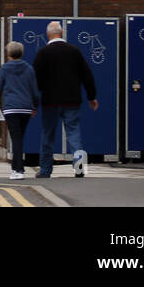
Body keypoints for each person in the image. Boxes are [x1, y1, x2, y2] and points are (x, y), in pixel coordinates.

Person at [32, 21, 98, 178]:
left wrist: (34, 102)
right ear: (61, 33)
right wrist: (91, 96)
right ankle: (80, 169)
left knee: (47, 136)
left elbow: (35, 79)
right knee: (74, 135)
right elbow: (87, 75)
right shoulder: (74, 51)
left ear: (49, 34)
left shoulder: (43, 53)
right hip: (72, 100)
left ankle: (45, 171)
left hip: (50, 101)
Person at [0, 41, 39, 180]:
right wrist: (35, 106)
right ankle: (18, 168)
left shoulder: (5, 68)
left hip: (11, 108)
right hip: (25, 108)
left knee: (16, 138)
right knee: (19, 138)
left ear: (9, 53)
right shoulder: (29, 69)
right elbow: (35, 91)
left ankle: (18, 170)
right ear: (21, 53)